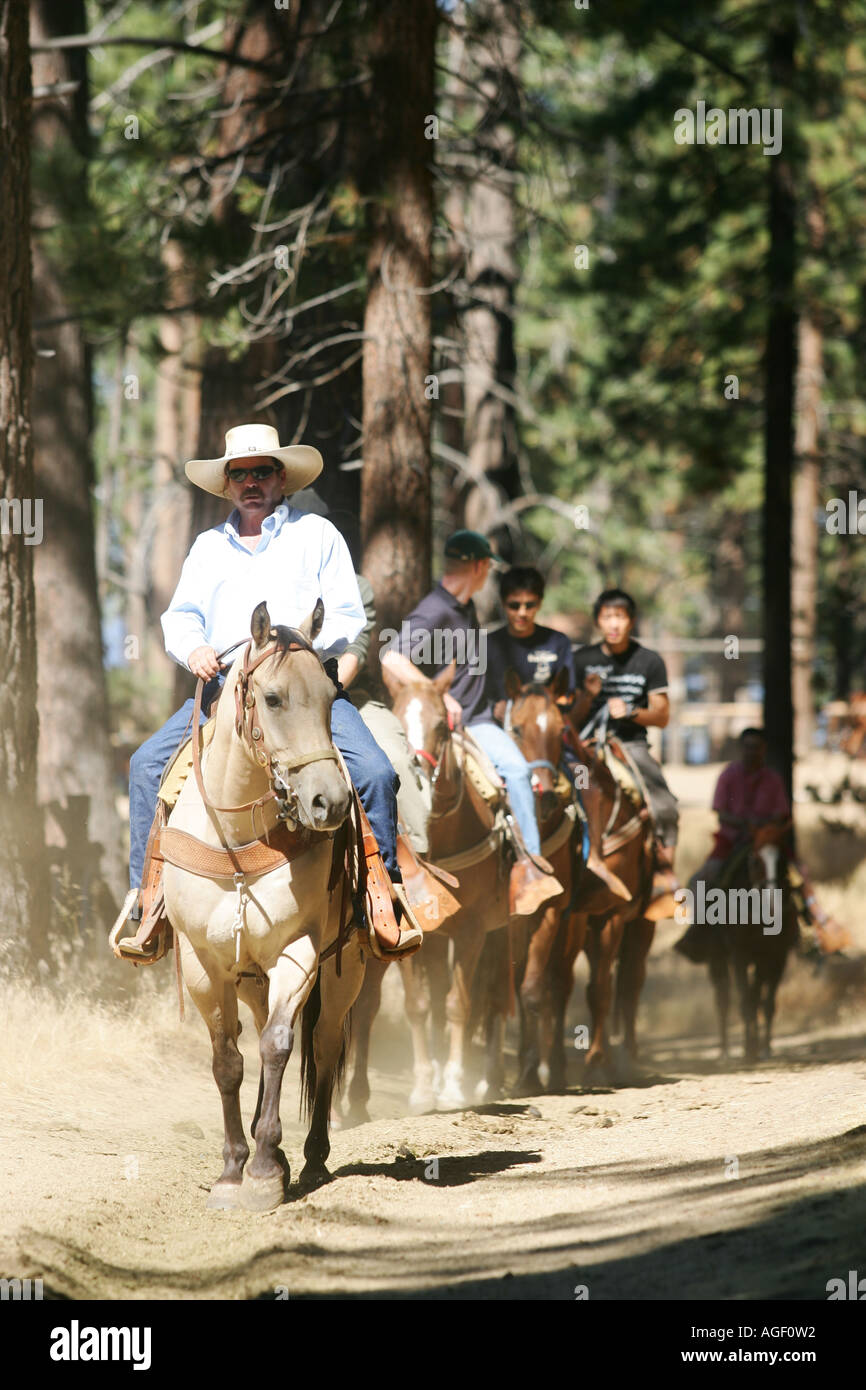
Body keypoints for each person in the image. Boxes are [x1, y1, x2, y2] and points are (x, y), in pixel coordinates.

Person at [119, 422, 423, 959]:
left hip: (304, 695)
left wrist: (314, 670)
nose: (251, 482)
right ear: (227, 485)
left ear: (282, 478)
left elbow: (348, 619)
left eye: (262, 471)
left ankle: (382, 893)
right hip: (223, 692)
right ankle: (150, 901)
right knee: (145, 766)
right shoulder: (207, 547)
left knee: (376, 773)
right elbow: (181, 616)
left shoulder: (318, 536)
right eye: (240, 474)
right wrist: (193, 649)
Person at [381, 530, 564, 917]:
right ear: (479, 567)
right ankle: (529, 866)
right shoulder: (437, 609)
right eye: (487, 570)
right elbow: (392, 657)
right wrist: (435, 692)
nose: (488, 578)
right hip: (462, 727)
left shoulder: (463, 607)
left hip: (480, 718)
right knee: (517, 770)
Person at [573, 588, 679, 891]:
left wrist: (631, 711)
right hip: (585, 745)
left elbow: (662, 716)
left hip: (631, 746)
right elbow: (569, 716)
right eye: (608, 617)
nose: (614, 624)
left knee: (666, 806)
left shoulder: (649, 661)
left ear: (631, 621)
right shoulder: (582, 659)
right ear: (598, 621)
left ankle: (663, 873)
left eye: (620, 617)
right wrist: (586, 697)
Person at [674, 727, 789, 963]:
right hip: (731, 842)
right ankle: (698, 932)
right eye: (747, 747)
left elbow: (781, 814)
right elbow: (719, 811)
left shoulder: (773, 779)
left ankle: (808, 929)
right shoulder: (729, 774)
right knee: (700, 881)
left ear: (763, 750)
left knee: (797, 878)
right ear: (741, 748)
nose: (751, 752)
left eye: (756, 747)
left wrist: (764, 828)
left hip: (765, 844)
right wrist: (744, 824)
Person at [485, 566, 575, 699]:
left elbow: (566, 695)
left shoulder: (558, 643)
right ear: (503, 604)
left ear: (539, 604)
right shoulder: (486, 645)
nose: (522, 613)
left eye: (529, 605)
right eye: (514, 606)